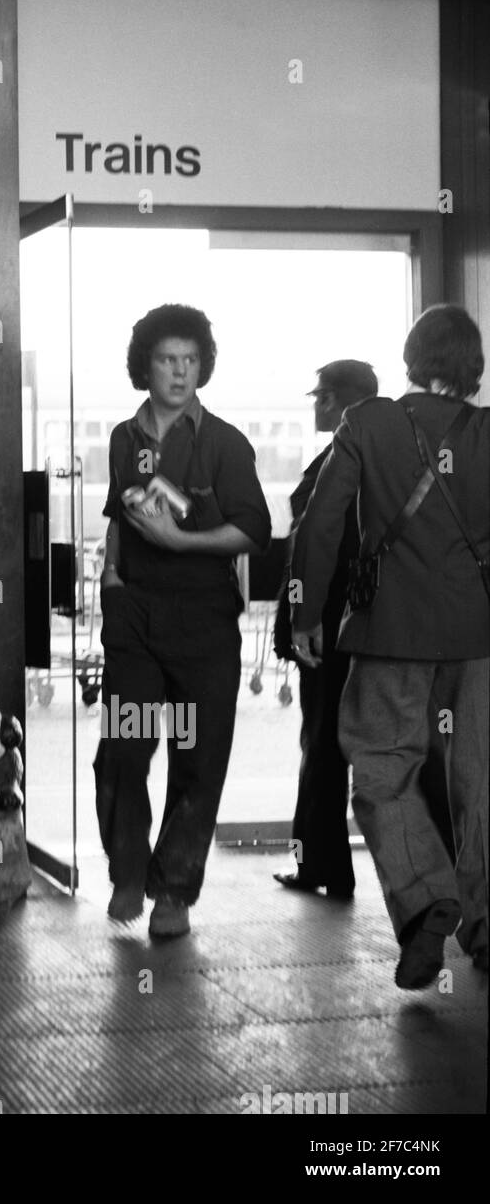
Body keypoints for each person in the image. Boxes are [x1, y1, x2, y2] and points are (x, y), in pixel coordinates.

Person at [290, 305, 489, 989]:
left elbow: (319, 524)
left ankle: (425, 900)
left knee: (380, 772)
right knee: (480, 781)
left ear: (410, 359)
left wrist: (305, 613)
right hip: (479, 638)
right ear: (473, 367)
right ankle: (485, 926)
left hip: (389, 633)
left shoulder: (367, 424)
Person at [97, 304, 272, 937]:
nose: (179, 371)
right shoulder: (124, 437)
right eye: (168, 359)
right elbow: (120, 515)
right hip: (136, 620)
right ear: (145, 366)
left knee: (197, 759)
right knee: (124, 747)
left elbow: (255, 530)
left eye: (190, 360)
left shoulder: (225, 443)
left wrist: (180, 544)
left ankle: (173, 892)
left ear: (204, 366)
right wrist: (112, 582)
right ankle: (126, 871)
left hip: (203, 623)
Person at [271, 360, 379, 899]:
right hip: (361, 626)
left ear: (338, 401)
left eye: (320, 397)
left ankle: (317, 866)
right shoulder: (383, 457)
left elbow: (313, 547)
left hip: (329, 627)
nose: (314, 405)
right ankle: (319, 863)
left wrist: (300, 620)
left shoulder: (339, 459)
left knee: (321, 746)